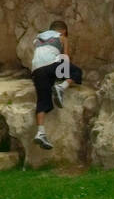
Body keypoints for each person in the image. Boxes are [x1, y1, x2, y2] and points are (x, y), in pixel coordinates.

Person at [31, 19, 83, 150]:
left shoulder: (38, 38)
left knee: (42, 101)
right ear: (64, 31)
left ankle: (40, 132)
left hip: (37, 70)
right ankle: (61, 87)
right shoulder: (62, 37)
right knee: (76, 71)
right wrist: (64, 76)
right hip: (52, 66)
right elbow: (65, 57)